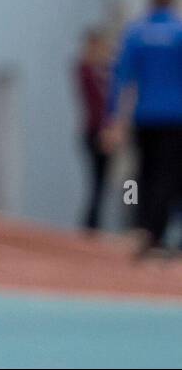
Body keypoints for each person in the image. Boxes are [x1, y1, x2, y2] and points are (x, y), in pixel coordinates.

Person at [106, 0, 182, 256]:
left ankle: (144, 228)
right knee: (170, 175)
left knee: (146, 173)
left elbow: (121, 77)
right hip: (175, 118)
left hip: (145, 116)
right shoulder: (179, 31)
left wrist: (113, 120)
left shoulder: (136, 32)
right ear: (171, 1)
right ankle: (158, 234)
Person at [74, 28, 113, 232]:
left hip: (104, 131)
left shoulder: (103, 70)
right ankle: (91, 225)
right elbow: (98, 100)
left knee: (102, 182)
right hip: (93, 131)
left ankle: (93, 224)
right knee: (96, 181)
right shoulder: (86, 70)